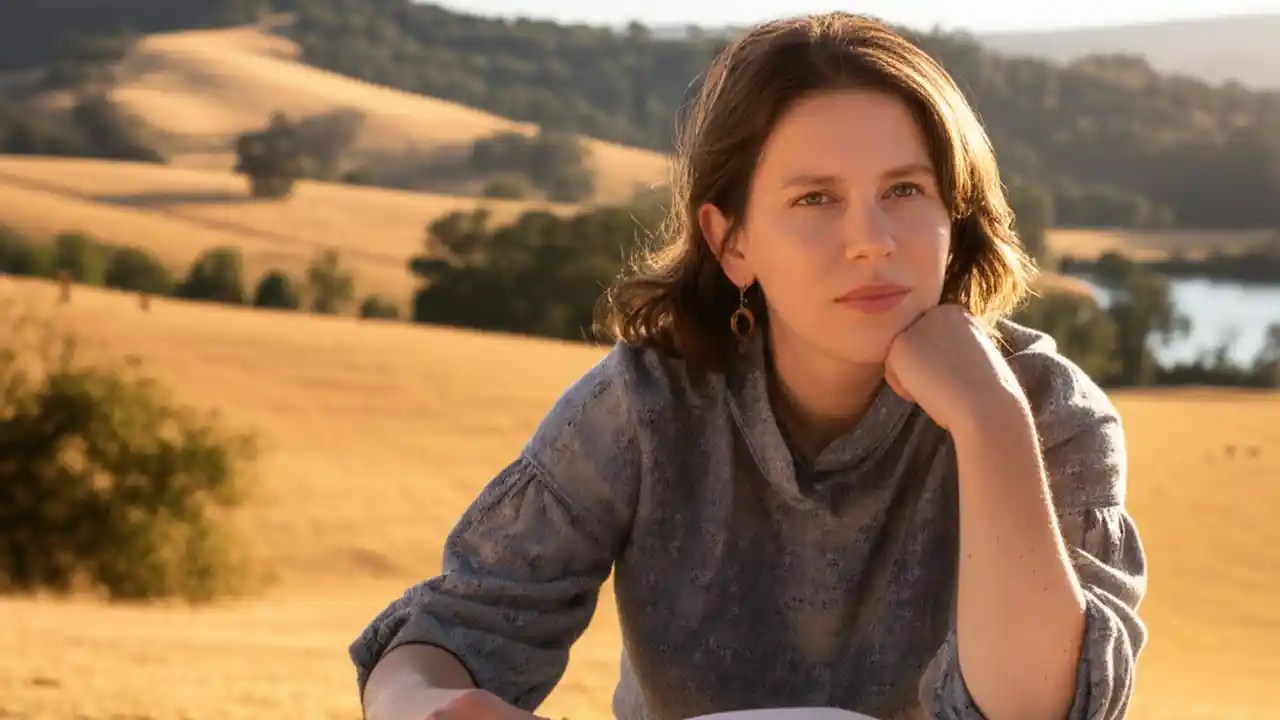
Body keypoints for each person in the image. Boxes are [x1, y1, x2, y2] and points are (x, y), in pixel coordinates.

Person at [350, 12, 1148, 720]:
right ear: (732, 241)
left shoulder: (1042, 410)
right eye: (815, 199)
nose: (871, 239)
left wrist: (989, 422)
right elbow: (454, 630)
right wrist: (425, 706)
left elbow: (1039, 710)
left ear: (953, 215)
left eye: (905, 189)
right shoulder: (646, 405)